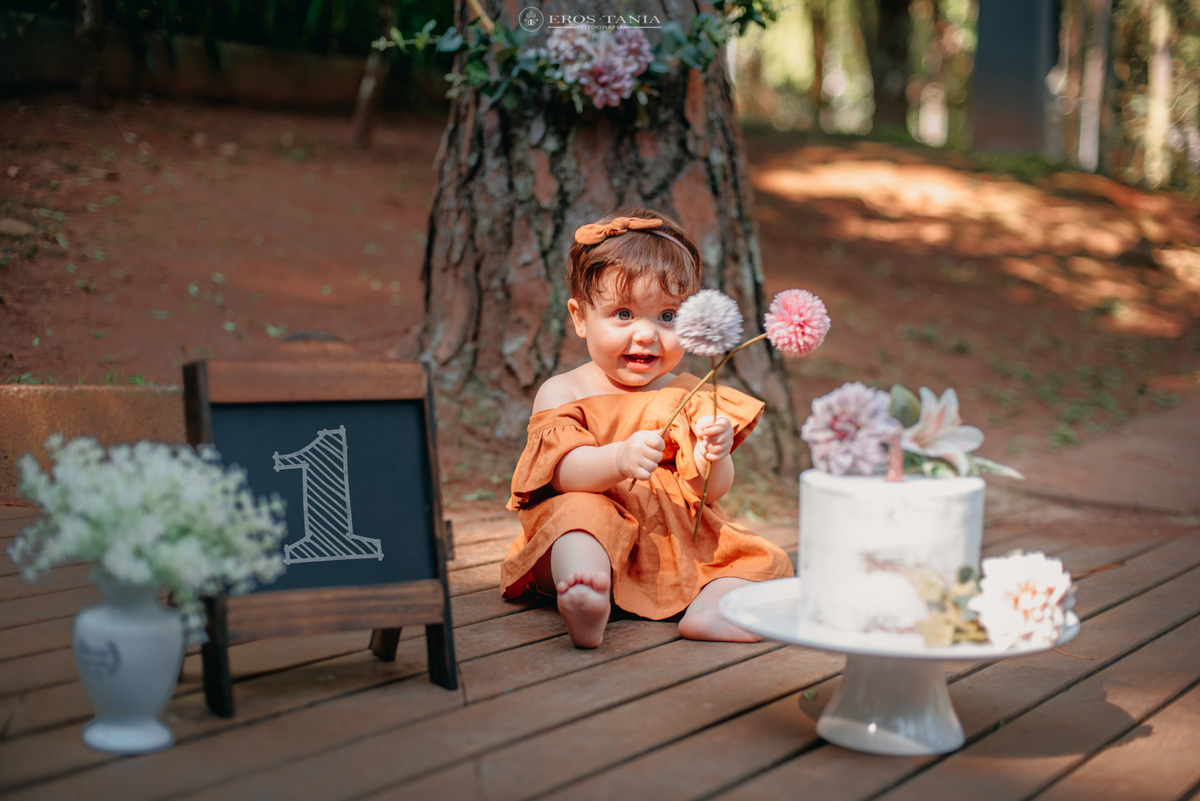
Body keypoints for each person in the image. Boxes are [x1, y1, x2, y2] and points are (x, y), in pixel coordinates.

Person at [500, 207, 794, 648]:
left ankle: (713, 610)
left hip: (670, 542)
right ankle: (586, 594)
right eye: (623, 314)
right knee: (580, 516)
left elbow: (710, 493)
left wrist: (715, 455)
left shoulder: (692, 393)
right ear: (581, 317)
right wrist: (617, 458)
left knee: (762, 560)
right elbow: (561, 473)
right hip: (591, 534)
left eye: (667, 317)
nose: (646, 335)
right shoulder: (564, 391)